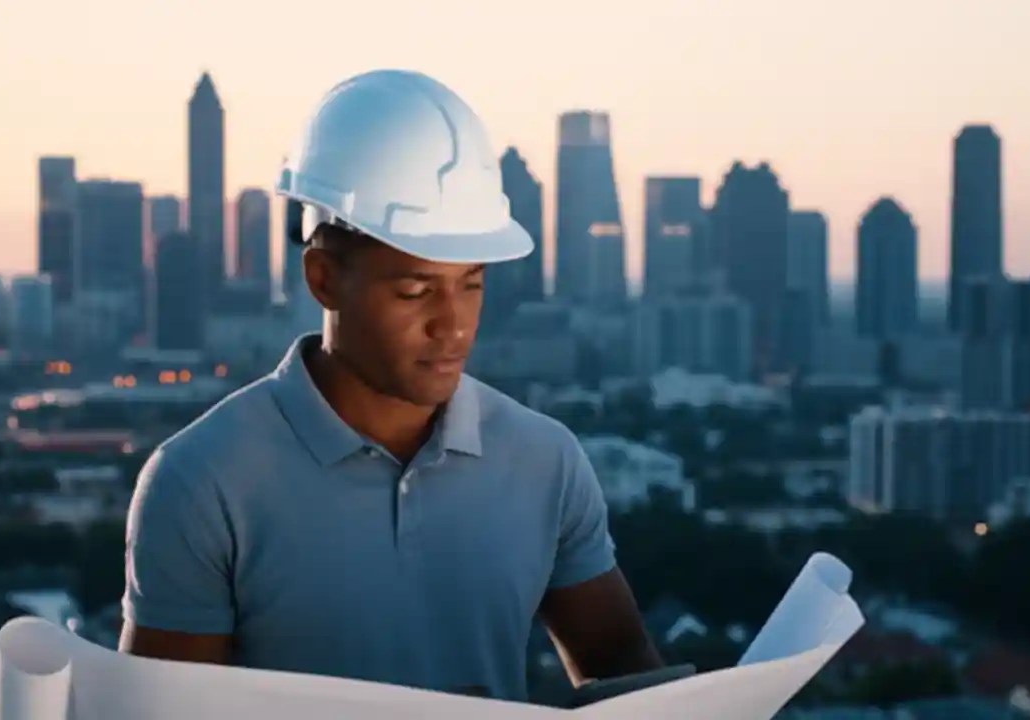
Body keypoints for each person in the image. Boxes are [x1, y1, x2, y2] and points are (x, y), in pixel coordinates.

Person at [119, 69, 663, 702]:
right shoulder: (202, 483)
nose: (452, 325)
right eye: (414, 290)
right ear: (323, 279)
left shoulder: (546, 463)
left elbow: (628, 677)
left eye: (471, 284)